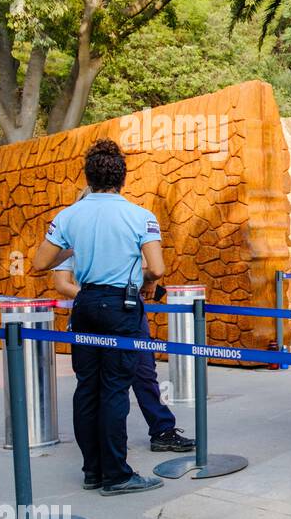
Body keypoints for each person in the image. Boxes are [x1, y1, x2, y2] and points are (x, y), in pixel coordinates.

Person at [32, 139, 167, 495]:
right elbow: (157, 267)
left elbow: (40, 263)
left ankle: (92, 471)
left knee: (87, 388)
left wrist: (79, 245)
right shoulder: (140, 216)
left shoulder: (68, 215)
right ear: (122, 178)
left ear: (88, 178)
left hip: (86, 304)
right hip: (121, 306)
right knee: (114, 389)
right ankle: (116, 475)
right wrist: (148, 283)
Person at [49, 189, 194, 456]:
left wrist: (145, 283)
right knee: (100, 386)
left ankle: (158, 431)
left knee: (143, 372)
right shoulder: (74, 232)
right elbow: (60, 282)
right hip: (99, 314)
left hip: (126, 312)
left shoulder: (121, 231)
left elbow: (151, 268)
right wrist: (101, 298)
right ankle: (105, 459)